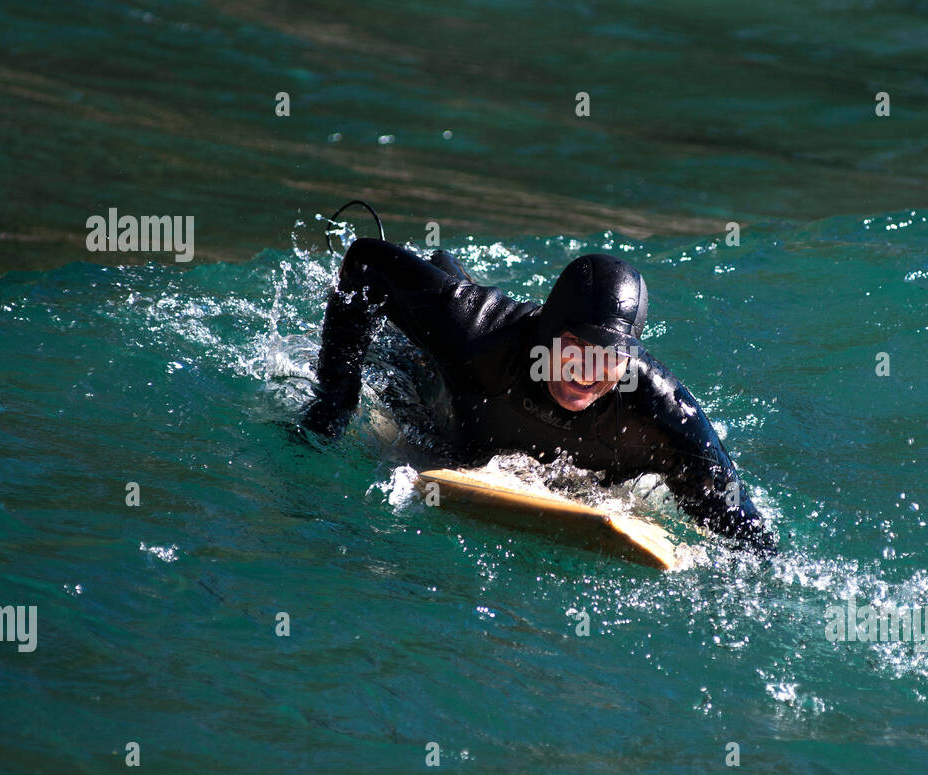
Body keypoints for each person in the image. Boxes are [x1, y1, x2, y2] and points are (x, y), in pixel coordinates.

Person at [304, 226, 774, 551]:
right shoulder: (478, 335)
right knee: (416, 330)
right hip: (424, 376)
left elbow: (741, 521)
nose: (588, 372)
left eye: (610, 357)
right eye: (576, 348)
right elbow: (365, 263)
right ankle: (444, 270)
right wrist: (336, 400)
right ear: (547, 334)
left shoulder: (658, 412)